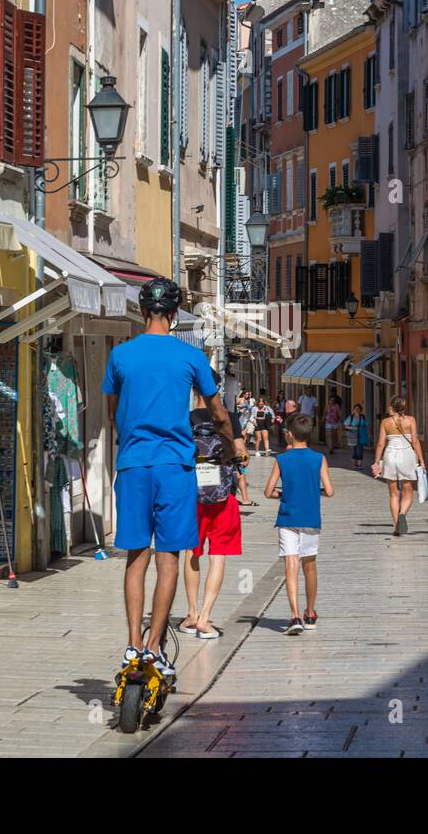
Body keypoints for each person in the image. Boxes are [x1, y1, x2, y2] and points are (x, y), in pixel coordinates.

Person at [103, 277, 235, 678]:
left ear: (143, 311)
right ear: (175, 315)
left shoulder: (120, 355)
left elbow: (112, 412)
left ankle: (131, 646)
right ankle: (156, 647)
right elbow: (218, 412)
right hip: (175, 467)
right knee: (169, 559)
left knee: (135, 557)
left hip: (133, 465)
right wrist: (231, 444)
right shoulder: (191, 357)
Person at [179, 371, 251, 640]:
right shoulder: (229, 419)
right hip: (223, 497)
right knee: (218, 554)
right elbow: (243, 458)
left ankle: (192, 613)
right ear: (216, 388)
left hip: (192, 496)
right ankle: (206, 618)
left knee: (192, 552)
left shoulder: (185, 420)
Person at [263, 414, 334, 635]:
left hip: (287, 517)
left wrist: (281, 496)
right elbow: (330, 491)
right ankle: (310, 612)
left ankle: (294, 615)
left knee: (291, 565)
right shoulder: (319, 458)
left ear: (289, 435)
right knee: (309, 565)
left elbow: (268, 491)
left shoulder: (282, 459)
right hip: (311, 517)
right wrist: (315, 491)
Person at [373, 395, 426, 536]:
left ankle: (397, 526)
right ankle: (402, 513)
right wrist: (421, 460)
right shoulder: (411, 420)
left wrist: (377, 462)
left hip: (390, 455)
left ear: (393, 406)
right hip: (407, 455)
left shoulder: (385, 422)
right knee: (408, 491)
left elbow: (380, 444)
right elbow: (415, 442)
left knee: (393, 493)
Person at [344, 403, 370, 470]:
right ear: (354, 410)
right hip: (353, 436)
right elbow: (346, 426)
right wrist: (353, 428)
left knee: (360, 450)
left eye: (358, 409)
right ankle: (355, 464)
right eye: (356, 409)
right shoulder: (351, 417)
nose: (357, 410)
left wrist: (369, 434)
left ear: (361, 410)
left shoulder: (363, 417)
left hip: (361, 436)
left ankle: (359, 464)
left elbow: (367, 426)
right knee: (354, 450)